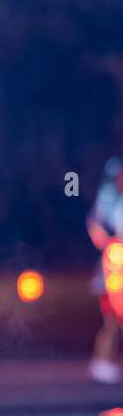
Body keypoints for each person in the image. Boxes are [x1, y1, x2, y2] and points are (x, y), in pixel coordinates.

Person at [86, 157, 123, 383]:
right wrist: (110, 245)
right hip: (113, 271)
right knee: (112, 320)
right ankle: (102, 361)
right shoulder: (107, 200)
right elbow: (95, 225)